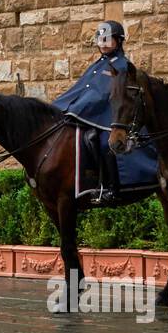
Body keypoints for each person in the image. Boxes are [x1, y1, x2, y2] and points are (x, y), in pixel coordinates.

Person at [54, 20, 130, 204]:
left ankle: (111, 188)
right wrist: (59, 106)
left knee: (104, 143)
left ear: (118, 41)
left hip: (107, 116)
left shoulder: (122, 66)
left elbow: (105, 94)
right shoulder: (97, 64)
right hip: (85, 111)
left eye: (107, 39)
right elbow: (79, 88)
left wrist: (78, 108)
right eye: (100, 39)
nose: (103, 44)